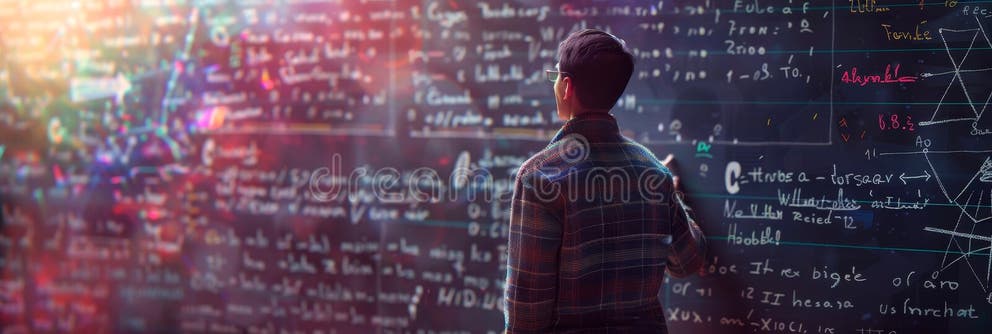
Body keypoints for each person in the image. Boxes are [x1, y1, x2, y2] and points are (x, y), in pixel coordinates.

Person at [503, 29, 707, 333]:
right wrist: (671, 197)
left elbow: (527, 309)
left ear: (567, 87)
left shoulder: (540, 177)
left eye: (556, 77)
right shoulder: (654, 173)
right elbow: (687, 261)